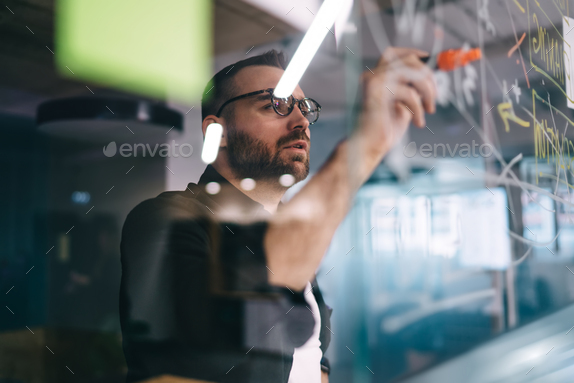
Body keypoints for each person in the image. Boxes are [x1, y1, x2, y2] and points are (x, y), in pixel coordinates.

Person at [119, 47, 436, 383]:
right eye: (276, 104)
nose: (301, 121)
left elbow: (312, 357)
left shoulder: (289, 230)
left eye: (304, 108)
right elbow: (207, 348)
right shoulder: (167, 217)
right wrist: (365, 146)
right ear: (218, 132)